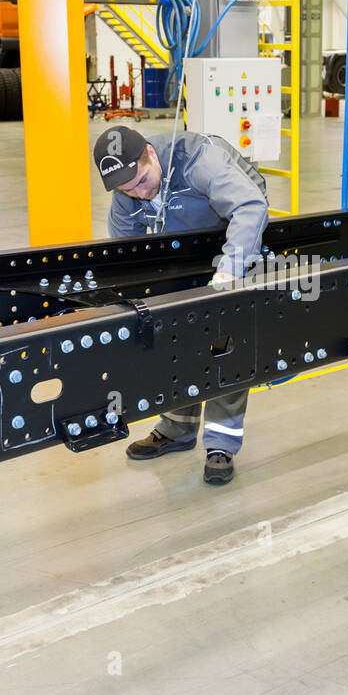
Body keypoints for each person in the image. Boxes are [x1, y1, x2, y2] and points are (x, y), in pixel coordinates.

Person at [93, 124, 269, 486]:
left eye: (142, 181)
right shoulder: (127, 192)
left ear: (151, 154)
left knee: (225, 338)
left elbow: (250, 208)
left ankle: (221, 442)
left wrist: (228, 274)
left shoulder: (200, 160)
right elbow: (124, 254)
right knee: (174, 331)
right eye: (128, 190)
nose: (139, 194)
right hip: (183, 250)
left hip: (233, 235)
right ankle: (178, 428)